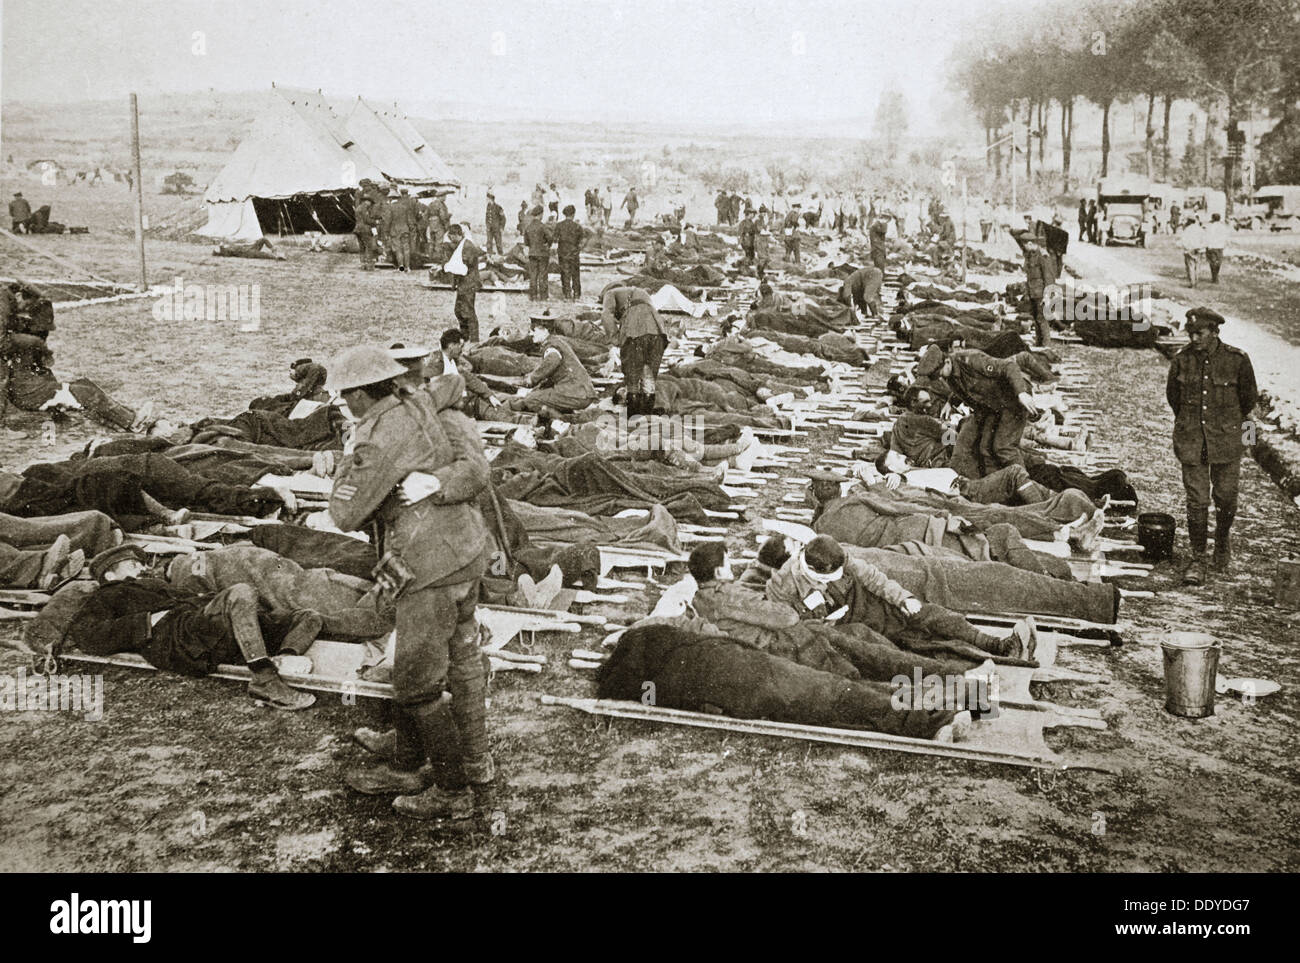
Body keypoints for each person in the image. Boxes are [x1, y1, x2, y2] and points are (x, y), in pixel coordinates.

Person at [327, 345, 495, 821]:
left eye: (345, 398)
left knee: (417, 683)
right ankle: (408, 759)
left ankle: (450, 789)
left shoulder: (377, 436)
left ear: (361, 395)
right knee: (430, 659)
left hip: (428, 566)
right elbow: (449, 383)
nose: (344, 405)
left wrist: (348, 455)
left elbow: (344, 513)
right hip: (457, 553)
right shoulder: (416, 400)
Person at [65, 543, 318, 709]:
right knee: (240, 592)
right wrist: (145, 622)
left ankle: (282, 658)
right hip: (180, 638)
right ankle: (264, 680)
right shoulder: (107, 595)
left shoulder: (157, 585)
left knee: (307, 616)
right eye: (133, 565)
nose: (142, 567)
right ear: (110, 575)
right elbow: (87, 634)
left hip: (204, 628)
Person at [1166, 308, 1257, 584]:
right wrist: (1188, 426)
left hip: (1227, 442)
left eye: (1200, 333)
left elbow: (1249, 403)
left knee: (1226, 497)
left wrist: (1248, 444)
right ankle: (1198, 558)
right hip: (1193, 440)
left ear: (1215, 332)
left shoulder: (1237, 360)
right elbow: (1174, 400)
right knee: (1197, 501)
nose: (1194, 338)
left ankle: (1221, 538)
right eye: (1190, 333)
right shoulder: (1181, 360)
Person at [915, 343, 1039, 477]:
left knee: (1004, 447)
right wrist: (951, 402)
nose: (939, 378)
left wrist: (1021, 393)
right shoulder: (949, 375)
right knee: (985, 448)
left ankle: (1023, 483)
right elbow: (964, 389)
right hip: (993, 407)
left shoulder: (971, 359)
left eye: (938, 374)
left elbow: (1009, 366)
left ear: (947, 362)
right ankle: (997, 484)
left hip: (1013, 400)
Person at [508, 313, 597, 417]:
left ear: (545, 330)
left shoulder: (551, 346)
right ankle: (565, 415)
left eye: (534, 330)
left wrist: (531, 379)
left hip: (575, 393)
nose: (531, 334)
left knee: (531, 400)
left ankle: (563, 422)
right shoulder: (556, 341)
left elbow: (552, 360)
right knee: (538, 395)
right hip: (580, 392)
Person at [601, 284, 670, 418]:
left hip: (635, 328)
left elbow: (606, 315)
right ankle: (647, 415)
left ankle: (633, 416)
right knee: (648, 374)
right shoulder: (641, 292)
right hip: (657, 330)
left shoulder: (610, 293)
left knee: (632, 375)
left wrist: (616, 338)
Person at [444, 223, 483, 341]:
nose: (451, 240)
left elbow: (464, 265)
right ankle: (465, 336)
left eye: (452, 237)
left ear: (457, 235)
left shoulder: (467, 246)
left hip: (469, 283)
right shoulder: (461, 246)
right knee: (459, 311)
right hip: (463, 283)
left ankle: (474, 339)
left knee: (468, 311)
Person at [1022, 235, 1052, 347]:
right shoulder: (1030, 256)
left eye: (1025, 245)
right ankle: (1039, 342)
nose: (1024, 247)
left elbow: (1048, 277)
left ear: (1030, 243)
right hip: (1032, 292)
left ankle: (1046, 344)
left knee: (1042, 318)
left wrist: (1047, 295)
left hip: (1041, 292)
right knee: (1035, 318)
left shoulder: (1043, 256)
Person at [554, 205, 585, 300]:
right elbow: (582, 241)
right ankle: (576, 293)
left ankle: (567, 294)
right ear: (573, 214)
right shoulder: (577, 226)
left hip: (563, 253)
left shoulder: (559, 225)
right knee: (575, 274)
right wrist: (578, 248)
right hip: (574, 253)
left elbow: (555, 239)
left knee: (564, 273)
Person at [523, 206, 552, 301]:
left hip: (532, 253)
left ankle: (533, 296)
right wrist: (548, 245)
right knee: (543, 275)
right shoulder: (543, 226)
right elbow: (550, 237)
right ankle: (543, 297)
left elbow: (526, 242)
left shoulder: (528, 227)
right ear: (540, 214)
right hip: (543, 253)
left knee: (533, 275)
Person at [352, 181, 380, 271]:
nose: (370, 204)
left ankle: (362, 264)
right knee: (369, 246)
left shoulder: (358, 208)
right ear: (367, 201)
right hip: (365, 229)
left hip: (357, 229)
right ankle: (370, 266)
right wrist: (376, 222)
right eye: (370, 202)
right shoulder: (364, 208)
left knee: (362, 248)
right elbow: (367, 220)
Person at [1180, 217, 1206, 288]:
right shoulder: (1200, 229)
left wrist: (1188, 248)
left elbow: (1183, 241)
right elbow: (1205, 240)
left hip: (1189, 250)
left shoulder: (1186, 230)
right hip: (1199, 250)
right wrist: (1199, 247)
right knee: (1198, 266)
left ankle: (1192, 282)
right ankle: (1196, 281)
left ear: (1189, 222)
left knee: (1190, 266)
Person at [1203, 213, 1227, 284]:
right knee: (1218, 262)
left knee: (1212, 262)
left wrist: (1206, 245)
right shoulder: (1223, 227)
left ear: (1213, 218)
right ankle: (1216, 276)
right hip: (1220, 246)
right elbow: (1225, 237)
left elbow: (1207, 236)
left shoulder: (1210, 226)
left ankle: (1214, 277)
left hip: (1212, 246)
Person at [484, 191, 505, 256]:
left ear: (491, 199)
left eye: (487, 198)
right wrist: (487, 226)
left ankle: (501, 256)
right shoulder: (488, 206)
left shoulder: (498, 207)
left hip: (497, 229)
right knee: (489, 244)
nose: (486, 200)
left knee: (498, 244)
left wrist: (501, 228)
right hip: (489, 229)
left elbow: (503, 218)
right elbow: (487, 217)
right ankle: (489, 257)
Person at [738, 207, 758, 273]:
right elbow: (740, 234)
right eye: (752, 214)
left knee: (752, 256)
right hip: (746, 242)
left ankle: (749, 270)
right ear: (748, 214)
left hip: (751, 242)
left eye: (753, 214)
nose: (753, 215)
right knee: (747, 256)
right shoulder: (743, 223)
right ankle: (744, 270)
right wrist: (739, 243)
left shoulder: (752, 222)